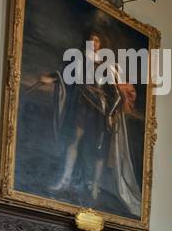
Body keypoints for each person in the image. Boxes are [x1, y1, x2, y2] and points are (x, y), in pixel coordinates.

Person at [48, 28, 143, 215]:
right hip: (82, 104)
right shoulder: (80, 60)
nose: (93, 43)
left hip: (99, 109)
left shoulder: (107, 65)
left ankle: (95, 187)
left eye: (97, 40)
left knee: (99, 150)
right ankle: (65, 179)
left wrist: (109, 115)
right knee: (74, 140)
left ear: (101, 45)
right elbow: (65, 76)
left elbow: (115, 94)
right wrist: (51, 78)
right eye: (91, 39)